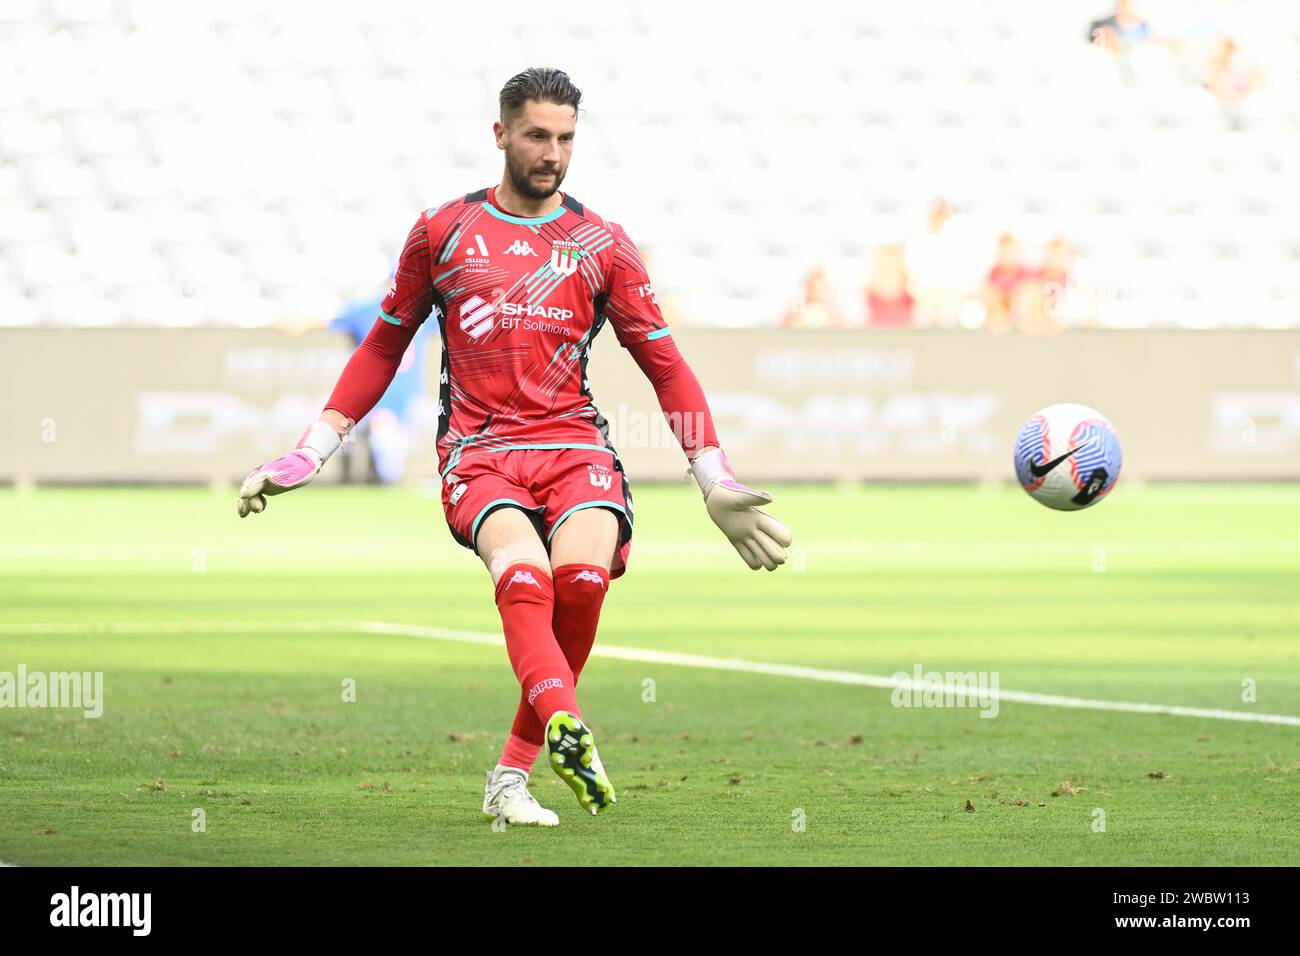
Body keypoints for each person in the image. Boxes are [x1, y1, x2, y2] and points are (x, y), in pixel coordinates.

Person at [234, 68, 793, 827]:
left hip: (573, 445)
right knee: (524, 572)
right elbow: (382, 347)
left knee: (585, 580)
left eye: (565, 138)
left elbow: (665, 364)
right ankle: (567, 724)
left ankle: (512, 774)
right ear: (500, 133)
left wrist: (713, 477)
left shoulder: (603, 245)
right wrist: (313, 448)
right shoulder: (442, 232)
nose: (553, 153)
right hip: (479, 451)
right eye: (537, 135)